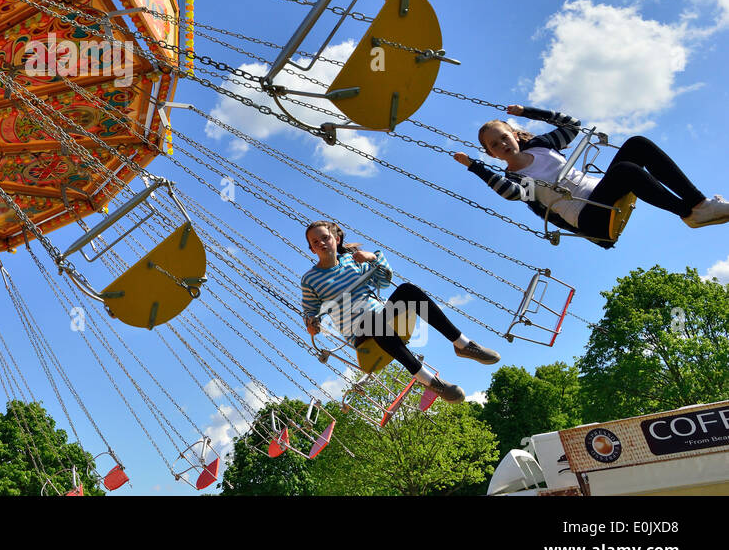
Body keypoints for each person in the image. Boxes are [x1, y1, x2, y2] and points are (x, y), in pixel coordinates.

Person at [454, 105, 729, 248]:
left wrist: (528, 111)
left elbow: (571, 125)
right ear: (491, 154)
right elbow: (509, 193)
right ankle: (686, 211)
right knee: (625, 171)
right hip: (589, 216)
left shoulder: (540, 145)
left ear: (514, 134)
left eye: (504, 136)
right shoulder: (513, 178)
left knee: (637, 144)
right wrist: (475, 167)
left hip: (599, 192)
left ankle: (699, 206)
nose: (502, 144)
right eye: (494, 145)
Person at [300, 220, 499, 404]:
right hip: (360, 336)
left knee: (407, 290)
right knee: (372, 321)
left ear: (336, 238)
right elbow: (310, 310)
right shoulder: (310, 279)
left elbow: (384, 281)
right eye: (315, 242)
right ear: (311, 249)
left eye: (325, 238)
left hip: (384, 317)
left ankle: (463, 344)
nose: (322, 243)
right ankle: (430, 381)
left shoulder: (353, 261)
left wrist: (372, 258)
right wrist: (311, 325)